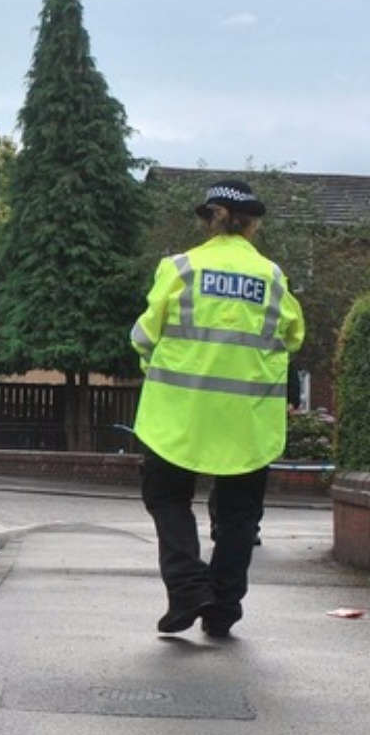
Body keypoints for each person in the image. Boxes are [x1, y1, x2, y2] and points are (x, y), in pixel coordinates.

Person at [130, 179, 304, 637]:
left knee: (167, 498)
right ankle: (224, 606)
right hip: (246, 421)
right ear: (253, 225)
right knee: (239, 514)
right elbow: (292, 337)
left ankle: (188, 590)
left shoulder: (180, 268)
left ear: (209, 219)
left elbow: (144, 336)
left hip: (178, 416)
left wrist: (159, 365)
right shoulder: (272, 276)